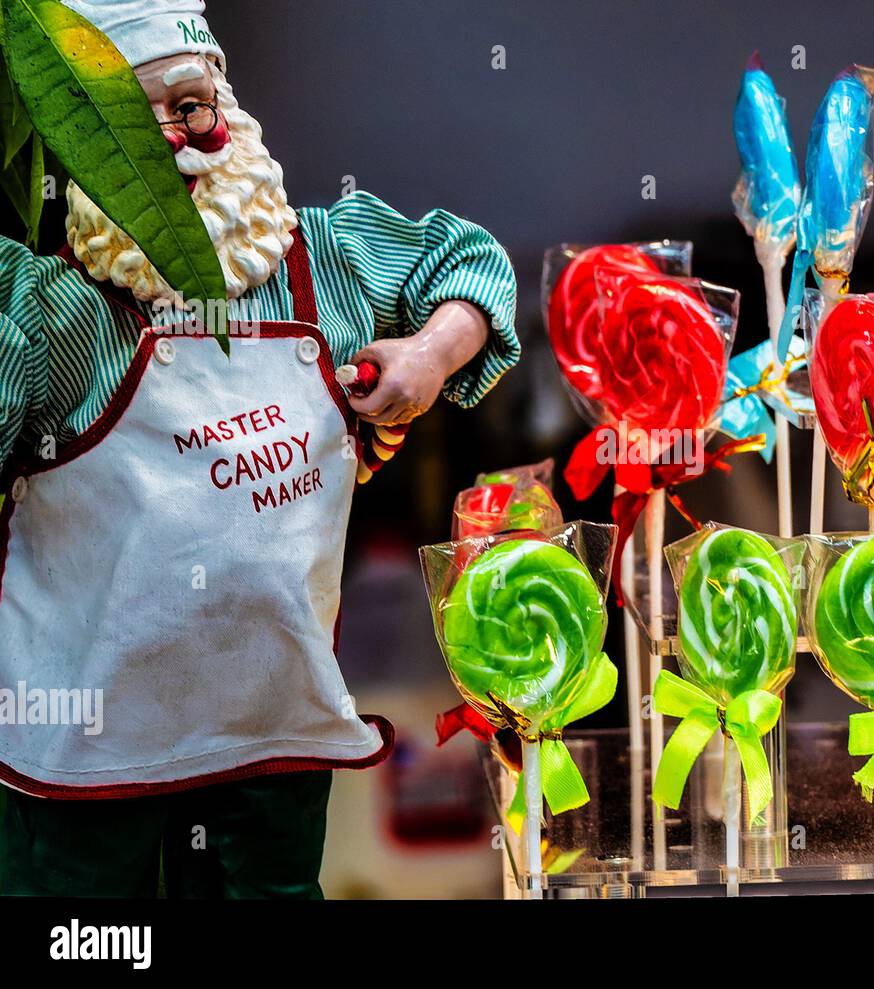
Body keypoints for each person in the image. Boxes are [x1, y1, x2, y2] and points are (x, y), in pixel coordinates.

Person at [0, 0, 519, 898]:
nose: (172, 145)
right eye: (132, 128)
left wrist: (428, 356)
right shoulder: (57, 306)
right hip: (79, 756)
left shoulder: (331, 257)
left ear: (228, 108)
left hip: (275, 736)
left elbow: (469, 262)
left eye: (189, 107)